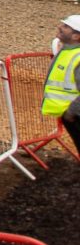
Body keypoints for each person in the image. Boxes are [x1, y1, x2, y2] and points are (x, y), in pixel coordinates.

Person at [45, 14, 80, 154]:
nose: (60, 27)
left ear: (76, 36)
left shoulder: (76, 56)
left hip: (75, 114)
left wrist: (71, 112)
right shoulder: (67, 52)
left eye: (66, 26)